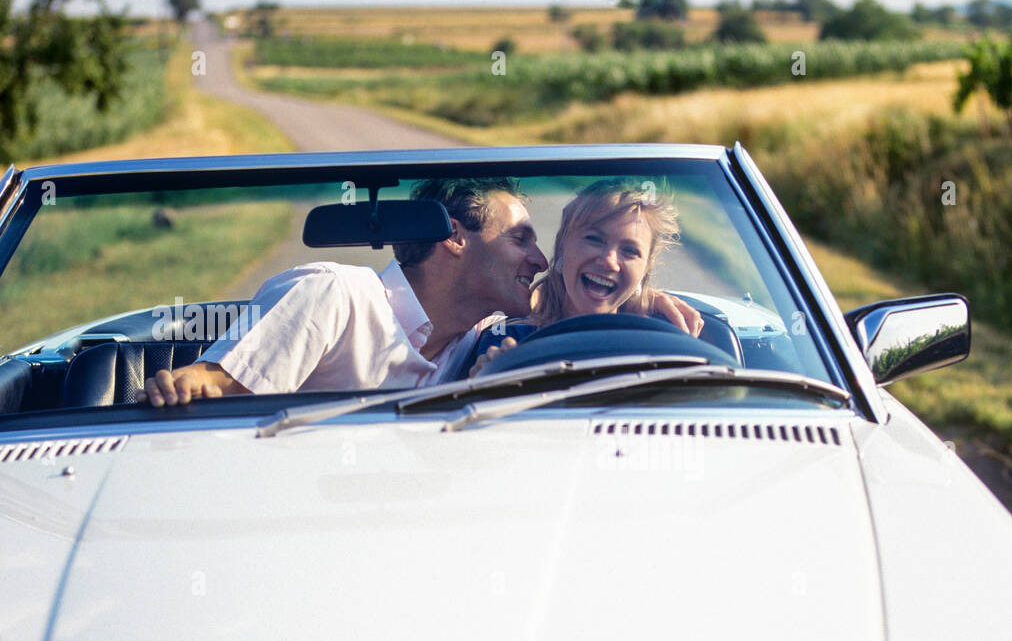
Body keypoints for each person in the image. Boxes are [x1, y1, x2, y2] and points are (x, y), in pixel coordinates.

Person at [141, 177, 700, 406]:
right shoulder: (336, 295)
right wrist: (183, 386)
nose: (538, 260)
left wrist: (640, 299)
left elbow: (571, 298)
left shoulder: (476, 336)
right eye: (521, 239)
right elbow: (215, 387)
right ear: (455, 238)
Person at [468, 177, 681, 378]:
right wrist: (486, 379)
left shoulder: (660, 345)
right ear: (562, 247)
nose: (609, 261)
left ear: (646, 269)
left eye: (630, 251)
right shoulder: (509, 337)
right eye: (594, 239)